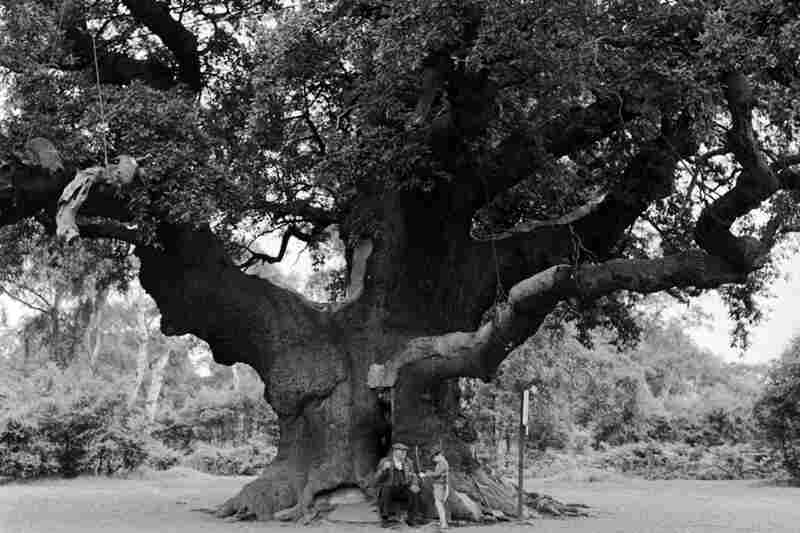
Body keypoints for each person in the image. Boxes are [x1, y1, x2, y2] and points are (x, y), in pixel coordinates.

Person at [374, 442, 421, 527]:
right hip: (390, 487)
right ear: (395, 451)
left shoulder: (408, 462)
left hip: (403, 487)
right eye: (402, 451)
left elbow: (413, 475)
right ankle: (385, 519)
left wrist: (414, 483)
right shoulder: (385, 461)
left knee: (414, 491)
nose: (404, 453)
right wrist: (384, 469)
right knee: (386, 489)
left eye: (405, 451)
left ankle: (411, 519)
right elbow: (377, 479)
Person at [421, 447, 450, 530]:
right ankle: (443, 521)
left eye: (434, 458)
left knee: (439, 504)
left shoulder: (442, 463)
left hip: (440, 486)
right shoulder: (442, 462)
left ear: (439, 455)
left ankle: (444, 523)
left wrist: (426, 474)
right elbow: (437, 473)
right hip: (440, 485)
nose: (433, 460)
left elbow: (437, 474)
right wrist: (429, 472)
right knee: (440, 504)